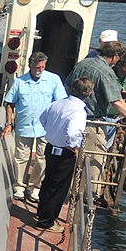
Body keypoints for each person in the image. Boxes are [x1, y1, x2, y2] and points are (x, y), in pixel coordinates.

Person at [3, 51, 67, 202]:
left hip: (45, 128)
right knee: (21, 158)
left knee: (42, 158)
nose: (40, 70)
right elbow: (9, 104)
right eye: (37, 67)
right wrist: (8, 124)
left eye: (42, 67)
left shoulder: (53, 80)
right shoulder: (19, 82)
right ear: (31, 66)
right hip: (24, 126)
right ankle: (19, 186)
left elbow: (61, 103)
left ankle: (35, 187)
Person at [34, 77, 94, 231]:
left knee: (48, 181)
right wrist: (74, 146)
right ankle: (46, 222)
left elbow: (43, 118)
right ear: (89, 93)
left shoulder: (58, 103)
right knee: (59, 187)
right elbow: (73, 131)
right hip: (65, 152)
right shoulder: (79, 111)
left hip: (51, 147)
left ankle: (41, 212)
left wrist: (52, 132)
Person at [67, 33, 126, 141]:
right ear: (116, 56)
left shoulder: (82, 64)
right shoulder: (106, 72)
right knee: (94, 156)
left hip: (71, 116)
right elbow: (116, 100)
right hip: (92, 123)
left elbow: (67, 86)